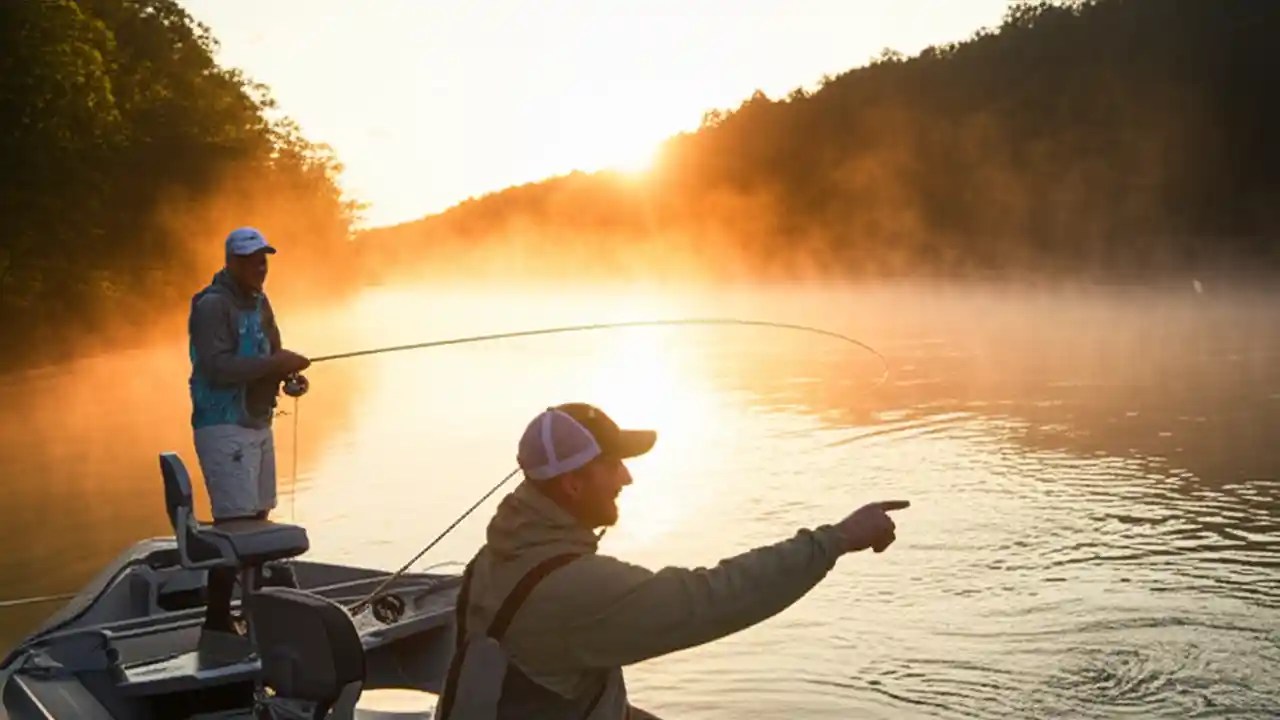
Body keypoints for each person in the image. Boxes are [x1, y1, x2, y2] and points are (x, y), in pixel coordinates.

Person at [436, 402, 908, 719]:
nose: (626, 478)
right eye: (613, 464)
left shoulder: (497, 555)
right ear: (572, 485)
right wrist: (838, 539)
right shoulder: (572, 587)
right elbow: (715, 597)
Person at [187, 226, 310, 661]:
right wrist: (274, 364)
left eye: (263, 258)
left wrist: (288, 375)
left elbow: (269, 356)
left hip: (257, 422)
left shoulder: (260, 302)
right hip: (223, 426)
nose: (259, 266)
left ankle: (254, 611)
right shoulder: (211, 305)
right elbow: (218, 368)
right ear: (231, 262)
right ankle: (217, 618)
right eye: (250, 259)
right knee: (236, 529)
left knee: (258, 520)